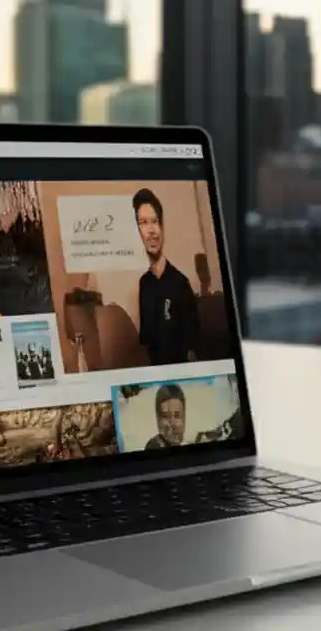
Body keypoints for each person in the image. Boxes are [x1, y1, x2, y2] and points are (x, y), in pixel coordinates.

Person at [133, 188, 200, 365]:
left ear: (162, 227)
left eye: (155, 222)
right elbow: (145, 339)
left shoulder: (180, 283)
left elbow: (193, 349)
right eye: (143, 223)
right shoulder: (144, 283)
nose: (151, 230)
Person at [144, 384, 186, 450]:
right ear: (158, 420)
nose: (173, 423)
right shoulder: (155, 446)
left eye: (177, 416)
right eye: (166, 416)